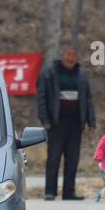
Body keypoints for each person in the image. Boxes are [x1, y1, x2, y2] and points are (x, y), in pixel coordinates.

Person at [35, 45, 96, 200]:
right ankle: (50, 191)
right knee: (54, 158)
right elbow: (41, 98)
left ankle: (69, 192)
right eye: (68, 55)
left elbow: (87, 99)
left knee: (73, 158)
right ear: (61, 56)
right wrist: (45, 119)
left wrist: (91, 120)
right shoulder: (49, 73)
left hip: (76, 123)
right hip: (56, 123)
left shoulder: (81, 74)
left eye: (74, 55)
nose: (71, 58)